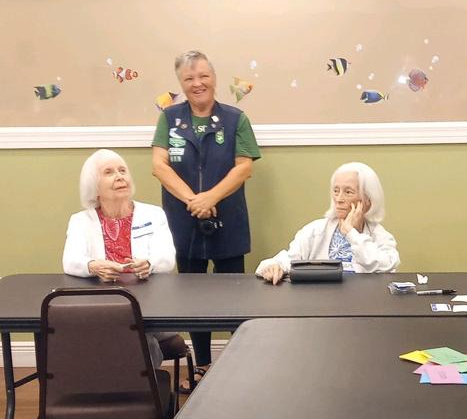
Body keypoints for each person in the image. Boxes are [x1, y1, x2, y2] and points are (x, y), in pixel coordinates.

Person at [151, 50, 262, 388]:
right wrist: (193, 200)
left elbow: (244, 166)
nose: (197, 83)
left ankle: (240, 367)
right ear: (181, 84)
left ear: (214, 78)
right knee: (194, 299)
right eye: (189, 78)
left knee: (234, 296)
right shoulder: (169, 119)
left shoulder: (235, 118)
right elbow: (159, 166)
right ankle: (201, 366)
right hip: (183, 220)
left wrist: (211, 197)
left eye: (203, 76)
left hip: (227, 217)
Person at [62, 149, 177, 367]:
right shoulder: (80, 221)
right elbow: (70, 260)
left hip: (151, 307)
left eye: (123, 170)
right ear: (93, 186)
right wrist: (93, 266)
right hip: (101, 307)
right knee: (115, 329)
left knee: (133, 330)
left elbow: (167, 257)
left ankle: (141, 389)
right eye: (109, 172)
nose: (119, 176)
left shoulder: (153, 214)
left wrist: (149, 264)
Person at [256, 162, 399, 284]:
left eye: (348, 192)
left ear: (367, 201)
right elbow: (286, 260)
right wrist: (273, 266)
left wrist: (351, 233)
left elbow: (385, 267)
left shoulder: (381, 236)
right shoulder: (315, 230)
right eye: (336, 191)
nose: (339, 199)